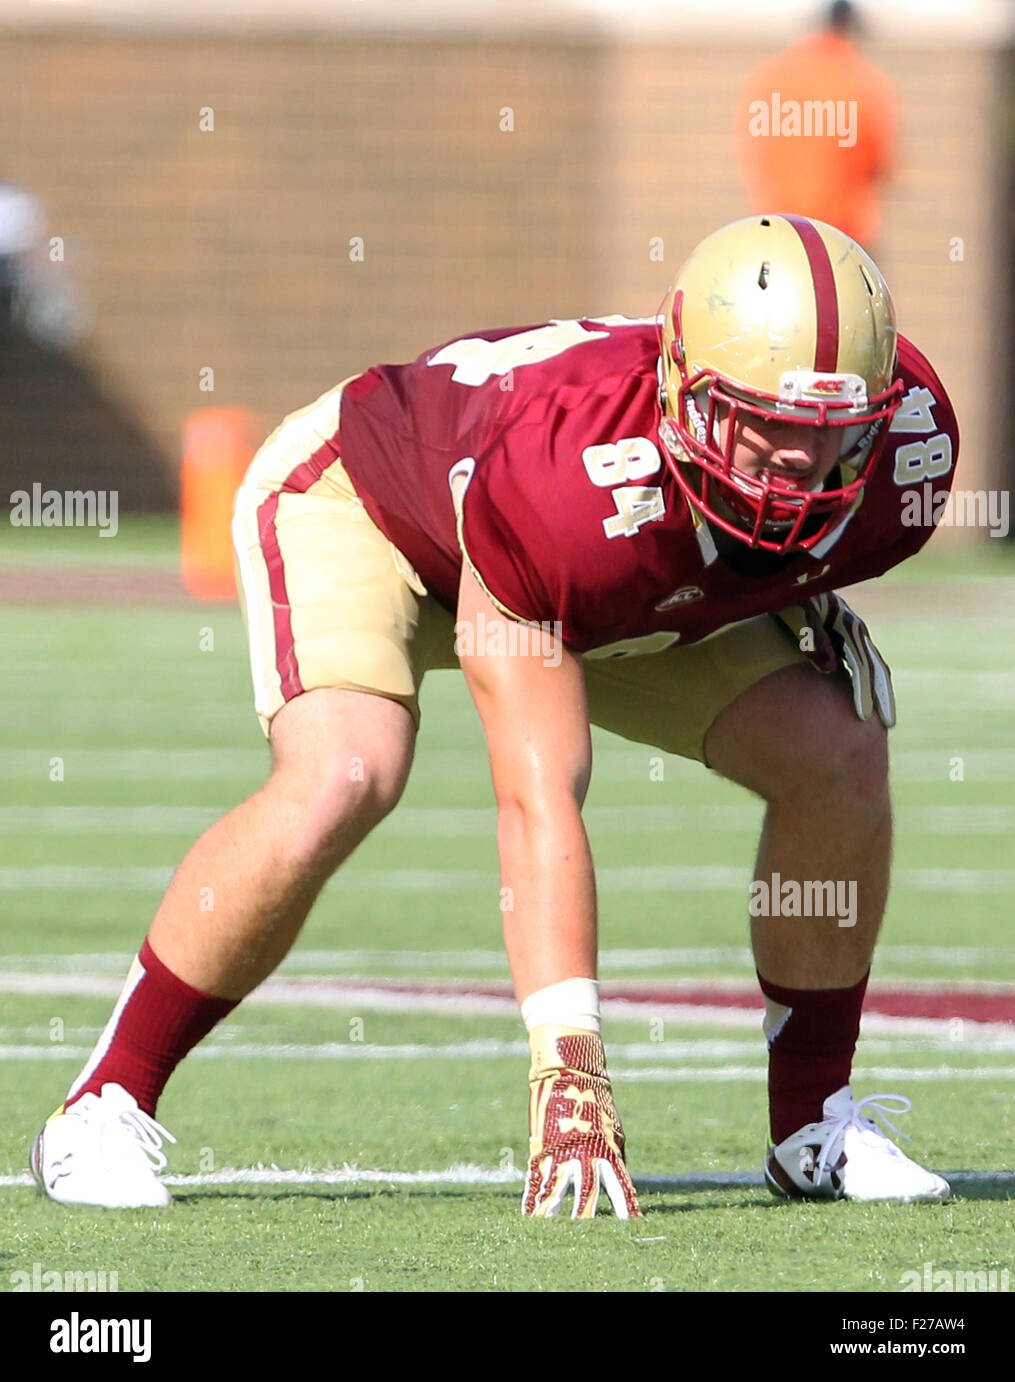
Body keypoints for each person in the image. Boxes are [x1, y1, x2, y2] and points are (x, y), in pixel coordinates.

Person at [32, 213, 958, 1217]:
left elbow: (781, 515)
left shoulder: (909, 458)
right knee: (347, 769)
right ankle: (100, 1102)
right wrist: (570, 1058)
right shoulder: (569, 476)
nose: (792, 469)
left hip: (611, 572)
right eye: (763, 423)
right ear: (682, 387)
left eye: (829, 436)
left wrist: (788, 581)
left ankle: (812, 1121)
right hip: (374, 507)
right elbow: (537, 795)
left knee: (837, 749)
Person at [739, 0, 896, 251]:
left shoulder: (773, 75)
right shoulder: (864, 81)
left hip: (778, 228)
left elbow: (756, 148)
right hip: (843, 235)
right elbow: (880, 163)